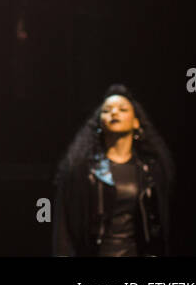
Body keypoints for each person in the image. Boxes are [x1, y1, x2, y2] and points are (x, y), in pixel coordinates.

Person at [53, 83, 173, 256]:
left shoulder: (150, 170)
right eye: (107, 110)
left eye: (122, 109)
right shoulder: (81, 170)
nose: (114, 113)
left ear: (136, 122)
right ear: (99, 122)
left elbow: (159, 228)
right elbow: (63, 230)